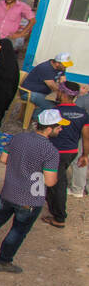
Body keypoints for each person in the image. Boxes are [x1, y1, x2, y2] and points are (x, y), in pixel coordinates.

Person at [0, 109, 63, 272]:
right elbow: (50, 182)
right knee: (18, 231)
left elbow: (3, 159)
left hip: (9, 191)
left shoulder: (19, 138)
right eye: (59, 127)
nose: (61, 129)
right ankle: (3, 260)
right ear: (49, 129)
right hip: (30, 198)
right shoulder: (50, 151)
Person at [43, 85, 89, 228]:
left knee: (57, 184)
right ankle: (53, 209)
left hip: (54, 151)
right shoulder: (82, 113)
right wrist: (85, 155)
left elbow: (44, 131)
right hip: (71, 152)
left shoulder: (54, 111)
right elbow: (86, 136)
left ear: (62, 93)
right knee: (54, 181)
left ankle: (59, 217)